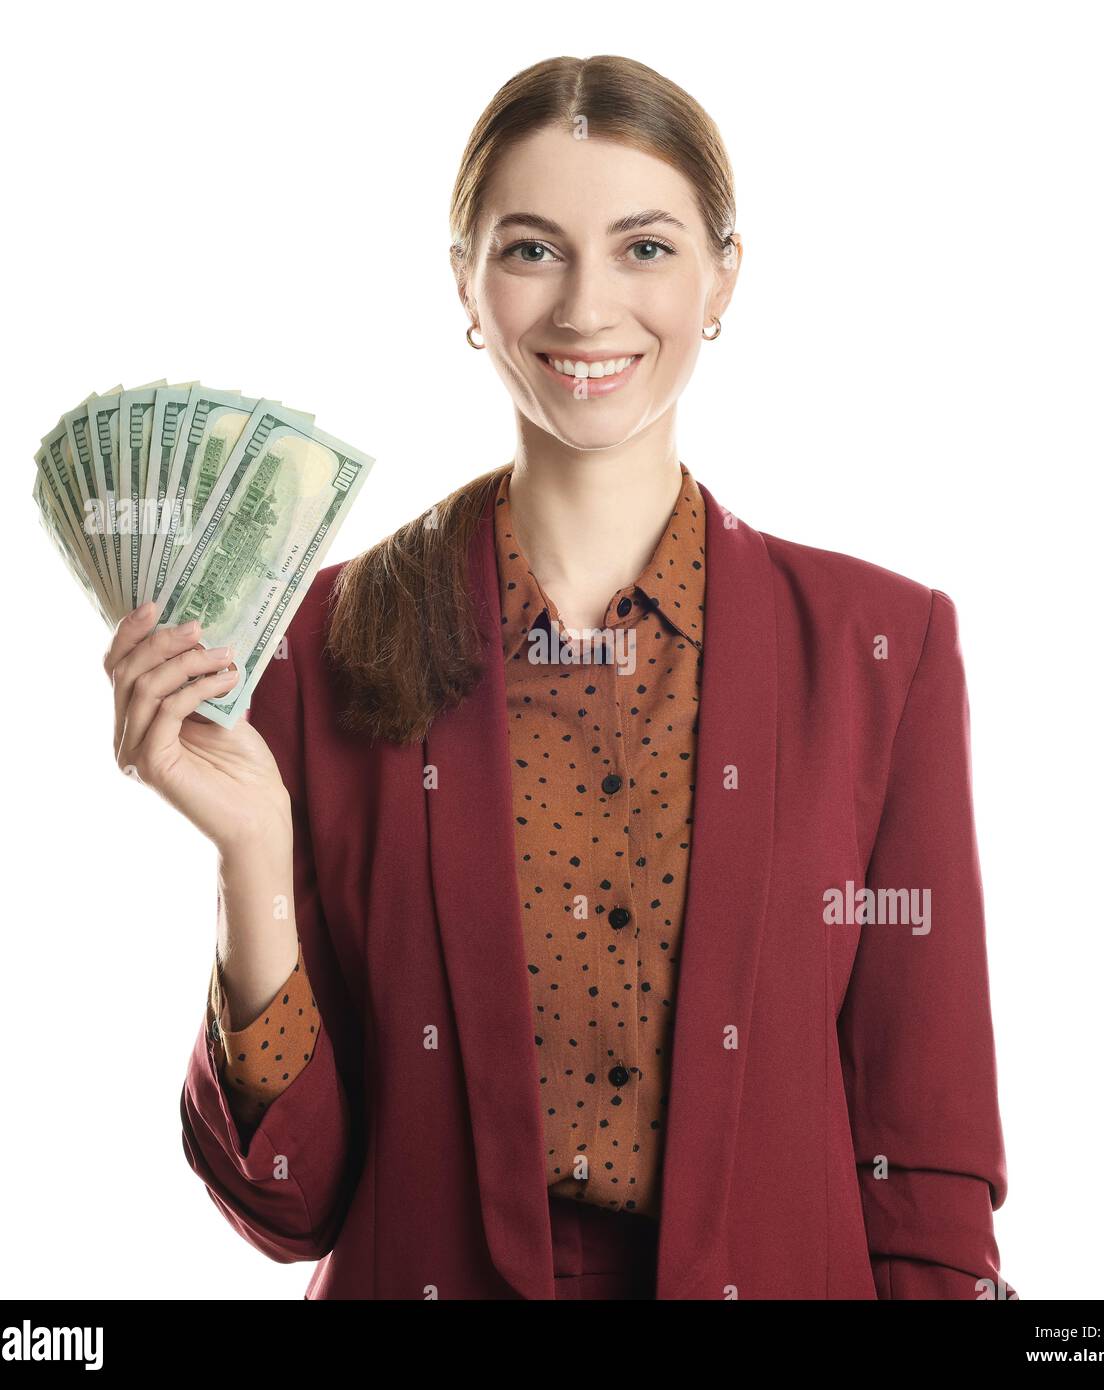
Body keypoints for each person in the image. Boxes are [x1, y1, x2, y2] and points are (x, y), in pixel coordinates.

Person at [105, 54, 1016, 1300]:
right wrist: (252, 857)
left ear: (720, 279)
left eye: (643, 247)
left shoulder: (882, 648)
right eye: (532, 249)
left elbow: (923, 1153)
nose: (587, 310)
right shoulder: (317, 645)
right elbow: (290, 1203)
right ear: (467, 285)